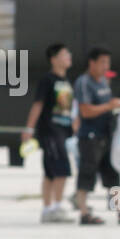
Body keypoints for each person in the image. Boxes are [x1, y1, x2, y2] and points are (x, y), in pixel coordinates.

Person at [73, 47, 120, 225]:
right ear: (92, 62)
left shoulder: (103, 82)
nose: (106, 66)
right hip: (90, 136)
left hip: (106, 135)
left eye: (108, 62)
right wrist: (108, 106)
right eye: (103, 62)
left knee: (112, 174)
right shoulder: (84, 82)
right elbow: (85, 110)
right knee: (87, 173)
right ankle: (83, 212)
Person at [23, 43, 77, 223]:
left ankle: (49, 208)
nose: (68, 56)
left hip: (63, 130)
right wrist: (29, 129)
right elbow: (38, 104)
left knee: (50, 172)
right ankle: (54, 207)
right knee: (61, 170)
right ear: (54, 59)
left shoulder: (66, 81)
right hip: (50, 131)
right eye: (64, 54)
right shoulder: (48, 80)